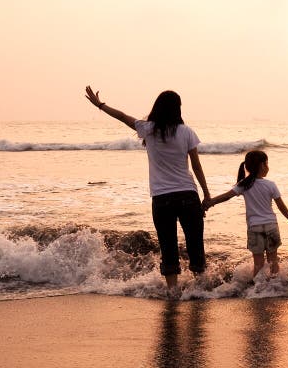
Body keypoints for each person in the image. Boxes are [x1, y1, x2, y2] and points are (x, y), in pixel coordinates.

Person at [84, 85, 211, 289]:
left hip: (162, 198)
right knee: (195, 243)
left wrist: (100, 105)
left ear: (157, 107)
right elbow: (196, 165)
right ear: (177, 109)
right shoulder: (187, 132)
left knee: (167, 245)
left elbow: (122, 116)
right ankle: (201, 289)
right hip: (188, 195)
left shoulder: (148, 129)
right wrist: (206, 193)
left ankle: (172, 292)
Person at [203, 150, 288, 278]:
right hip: (271, 226)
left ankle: (257, 290)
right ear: (262, 165)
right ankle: (276, 287)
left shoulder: (244, 185)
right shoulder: (270, 185)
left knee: (258, 263)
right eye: (267, 163)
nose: (267, 167)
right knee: (273, 261)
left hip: (254, 228)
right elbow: (281, 206)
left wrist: (210, 203)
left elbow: (226, 196)